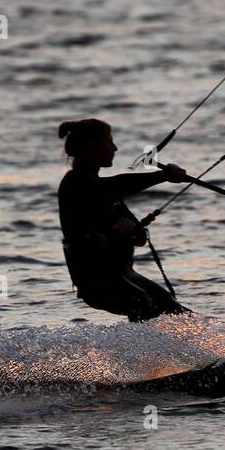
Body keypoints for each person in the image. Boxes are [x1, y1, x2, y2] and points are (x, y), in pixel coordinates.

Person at [57, 118, 193, 322]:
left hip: (122, 273)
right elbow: (113, 185)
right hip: (96, 281)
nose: (115, 148)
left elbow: (139, 238)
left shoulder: (107, 190)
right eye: (109, 141)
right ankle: (145, 352)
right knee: (140, 301)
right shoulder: (74, 184)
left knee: (169, 304)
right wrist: (162, 176)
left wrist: (131, 230)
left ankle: (205, 350)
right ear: (92, 145)